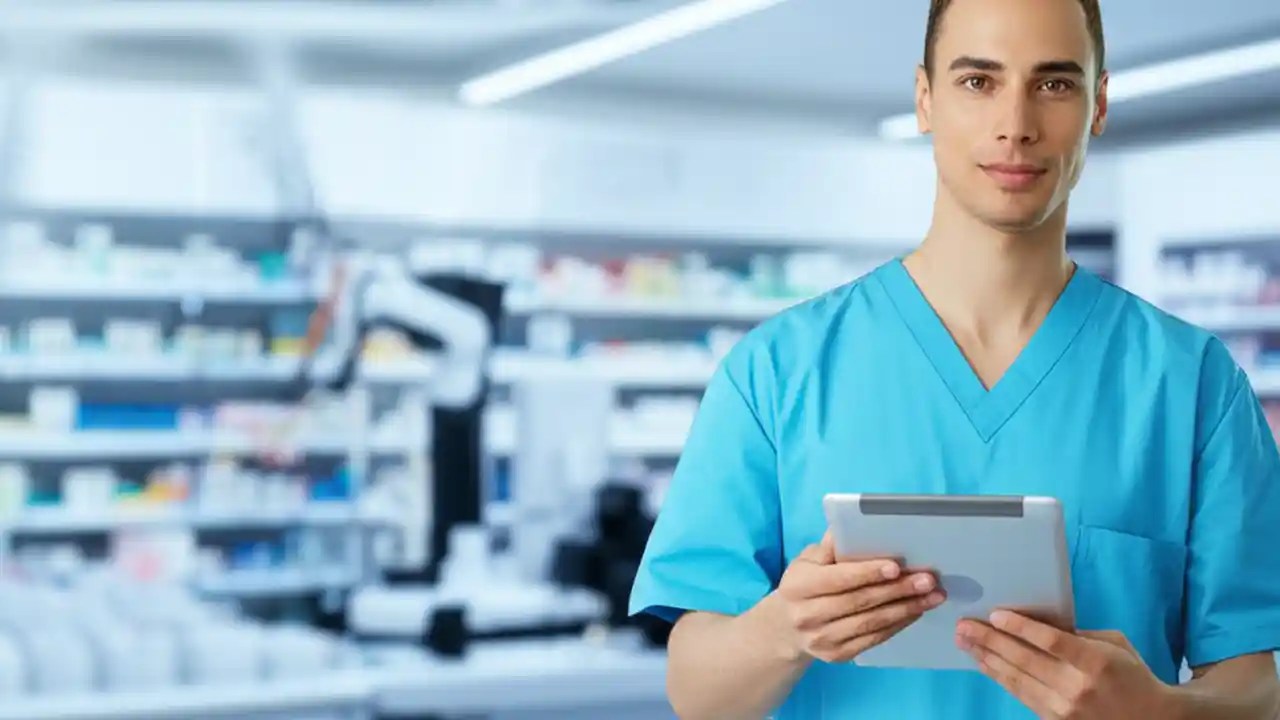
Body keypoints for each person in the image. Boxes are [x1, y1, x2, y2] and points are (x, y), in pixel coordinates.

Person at [628, 0, 1280, 717]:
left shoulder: (1193, 387)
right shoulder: (775, 373)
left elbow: (1255, 685)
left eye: (1055, 84)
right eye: (978, 81)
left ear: (1099, 104)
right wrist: (784, 629)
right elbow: (696, 695)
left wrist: (1163, 711)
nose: (1016, 124)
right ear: (925, 98)